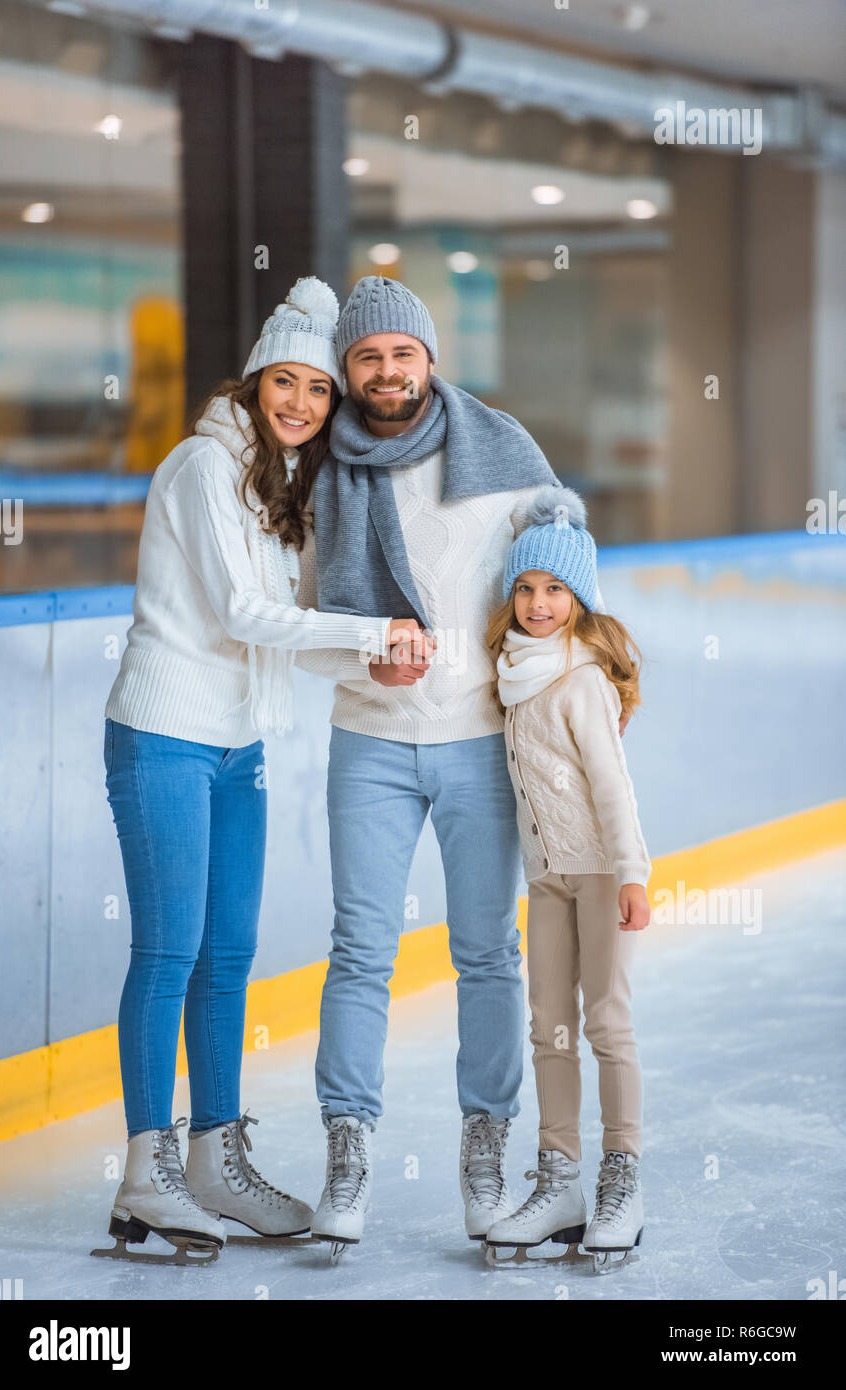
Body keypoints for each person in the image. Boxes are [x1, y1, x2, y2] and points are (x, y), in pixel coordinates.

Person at [99, 277, 422, 1264]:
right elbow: (244, 614)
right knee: (168, 951)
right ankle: (145, 1171)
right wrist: (370, 627)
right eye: (287, 382)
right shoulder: (203, 467)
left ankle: (214, 1160)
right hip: (163, 736)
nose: (302, 404)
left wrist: (373, 655)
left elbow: (278, 643)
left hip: (237, 750)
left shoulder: (280, 486)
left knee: (228, 955)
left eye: (320, 392)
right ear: (255, 383)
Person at [292, 274, 601, 1255]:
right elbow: (298, 623)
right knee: (359, 950)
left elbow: (563, 574)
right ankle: (347, 1153)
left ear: (430, 359)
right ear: (349, 371)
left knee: (485, 953)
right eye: (368, 357)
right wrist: (361, 648)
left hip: (478, 743)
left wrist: (560, 689)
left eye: (403, 353)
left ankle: (485, 1147)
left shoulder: (504, 453)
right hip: (370, 740)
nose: (388, 371)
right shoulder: (323, 476)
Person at [483, 485, 651, 1273]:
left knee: (605, 1025)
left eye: (554, 590)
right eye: (525, 588)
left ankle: (622, 1178)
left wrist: (631, 875)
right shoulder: (511, 671)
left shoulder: (578, 679)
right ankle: (558, 1183)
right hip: (545, 878)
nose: (538, 603)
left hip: (598, 875)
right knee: (547, 1026)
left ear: (578, 598)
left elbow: (612, 787)